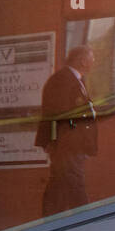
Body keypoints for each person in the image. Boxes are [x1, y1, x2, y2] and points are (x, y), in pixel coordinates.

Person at [34, 45, 98, 216]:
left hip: (69, 143)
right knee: (74, 181)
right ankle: (84, 220)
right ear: (82, 60)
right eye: (92, 59)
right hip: (67, 144)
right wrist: (70, 141)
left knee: (60, 183)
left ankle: (50, 221)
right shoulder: (63, 80)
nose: (94, 62)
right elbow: (61, 113)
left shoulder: (75, 79)